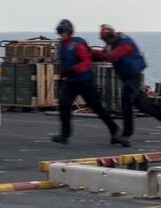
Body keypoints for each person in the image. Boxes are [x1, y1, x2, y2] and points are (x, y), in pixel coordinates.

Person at [51, 18, 127, 147]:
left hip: (85, 80)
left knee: (96, 107)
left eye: (63, 31)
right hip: (71, 81)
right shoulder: (61, 46)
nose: (61, 34)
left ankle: (114, 130)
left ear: (69, 32)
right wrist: (63, 73)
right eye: (60, 32)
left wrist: (73, 69)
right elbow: (63, 62)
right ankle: (64, 135)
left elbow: (86, 62)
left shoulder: (77, 45)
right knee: (64, 105)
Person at [92, 24, 161, 142]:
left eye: (106, 39)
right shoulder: (112, 43)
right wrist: (88, 54)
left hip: (134, 76)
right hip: (127, 77)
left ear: (111, 35)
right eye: (104, 40)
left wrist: (92, 52)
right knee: (143, 105)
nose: (105, 42)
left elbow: (111, 56)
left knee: (126, 99)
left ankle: (127, 134)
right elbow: (103, 55)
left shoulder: (125, 43)